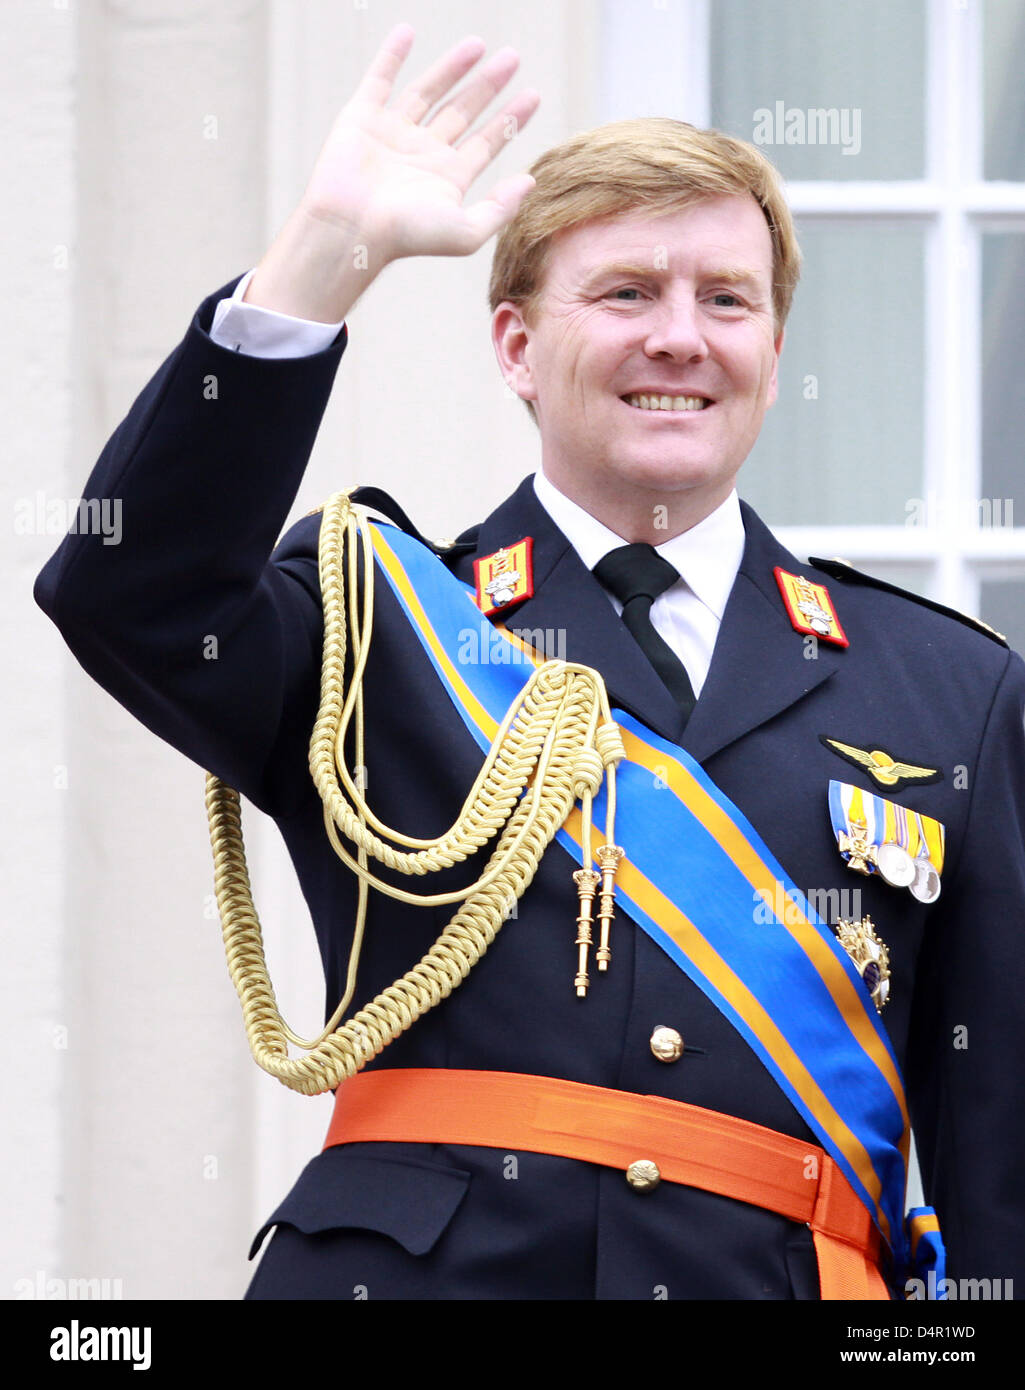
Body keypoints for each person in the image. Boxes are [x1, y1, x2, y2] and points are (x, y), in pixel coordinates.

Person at [35, 24, 1025, 1301]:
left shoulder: (947, 688)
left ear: (772, 357)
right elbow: (134, 590)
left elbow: (991, 1155)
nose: (680, 337)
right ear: (514, 347)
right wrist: (319, 259)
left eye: (725, 300)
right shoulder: (377, 618)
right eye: (624, 294)